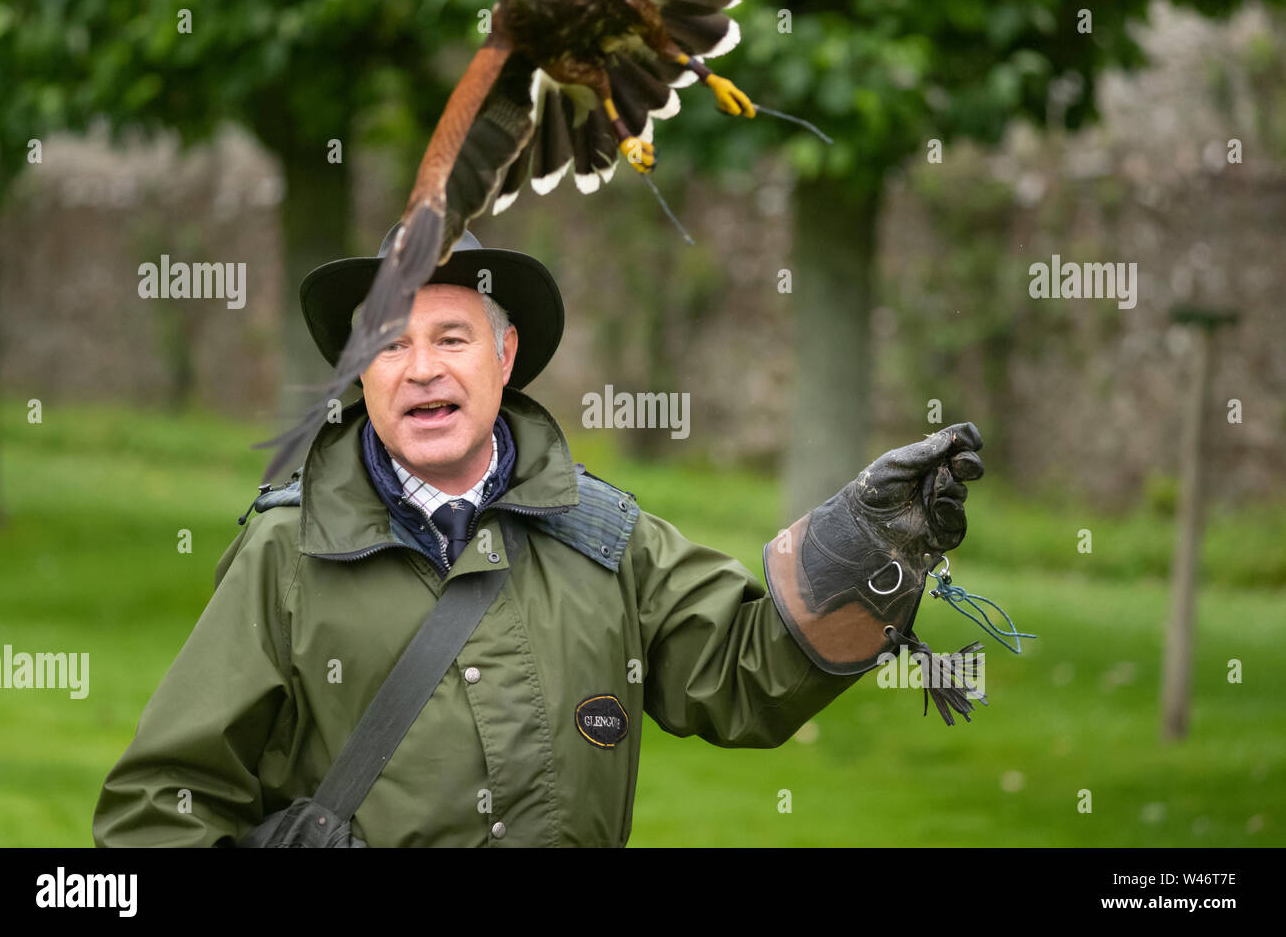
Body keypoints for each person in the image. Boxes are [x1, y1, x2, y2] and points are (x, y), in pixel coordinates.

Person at [92, 225, 986, 847]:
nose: (422, 370)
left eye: (452, 336)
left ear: (505, 358)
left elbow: (746, 677)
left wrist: (872, 549)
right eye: (391, 346)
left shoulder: (605, 537)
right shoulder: (286, 552)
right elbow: (159, 808)